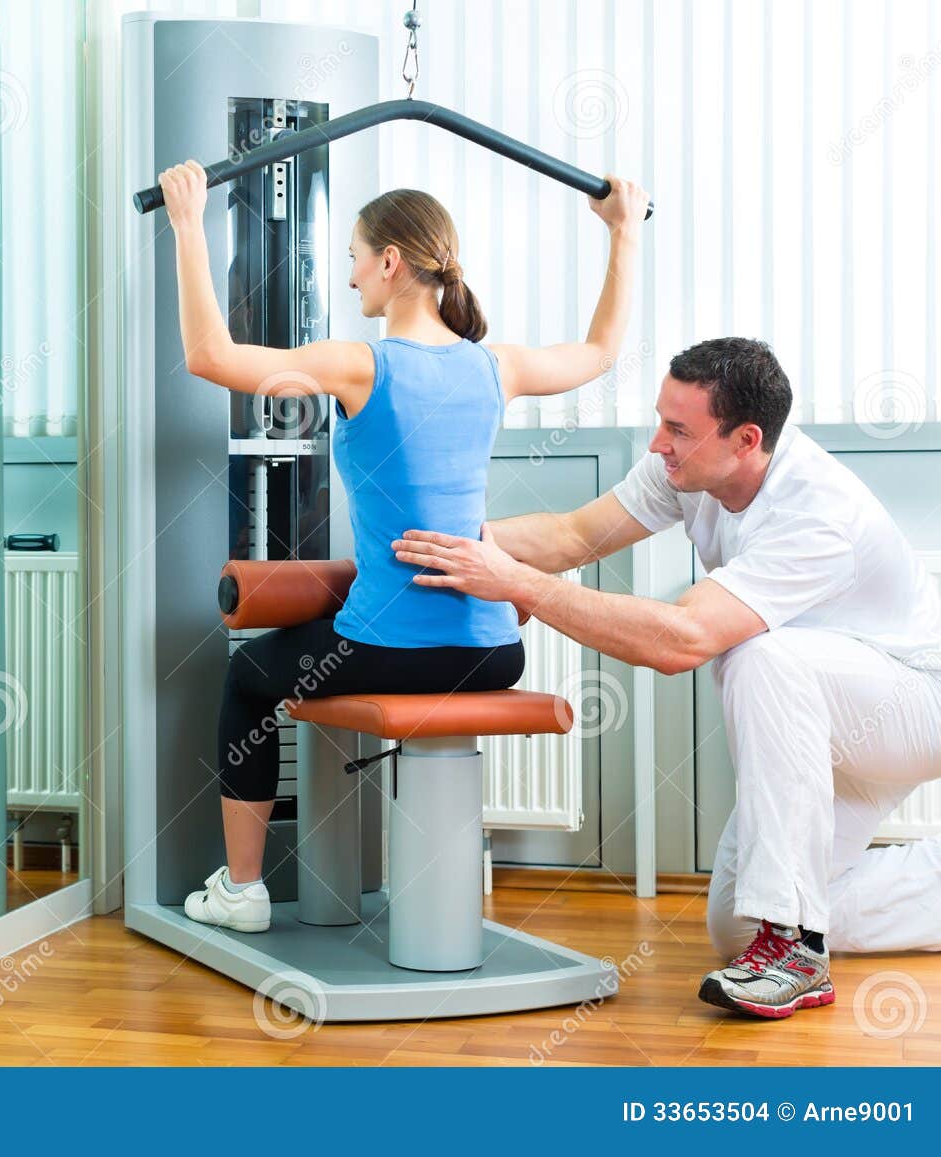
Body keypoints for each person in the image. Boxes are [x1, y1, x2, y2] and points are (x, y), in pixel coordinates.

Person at [154, 159, 649, 932]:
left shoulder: (360, 362)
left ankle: (242, 890)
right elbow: (599, 351)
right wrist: (623, 233)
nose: (351, 278)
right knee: (305, 649)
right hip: (493, 650)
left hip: (394, 648)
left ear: (390, 261)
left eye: (355, 257)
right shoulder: (498, 364)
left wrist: (189, 225)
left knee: (249, 676)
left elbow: (211, 358)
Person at [391, 336, 941, 1018]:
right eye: (661, 419)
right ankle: (796, 930)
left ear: (745, 439)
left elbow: (684, 638)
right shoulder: (691, 470)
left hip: (912, 702)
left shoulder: (816, 509)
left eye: (678, 430)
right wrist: (446, 545)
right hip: (825, 710)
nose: (658, 443)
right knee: (738, 924)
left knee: (761, 653)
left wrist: (518, 586)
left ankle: (796, 952)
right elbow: (569, 537)